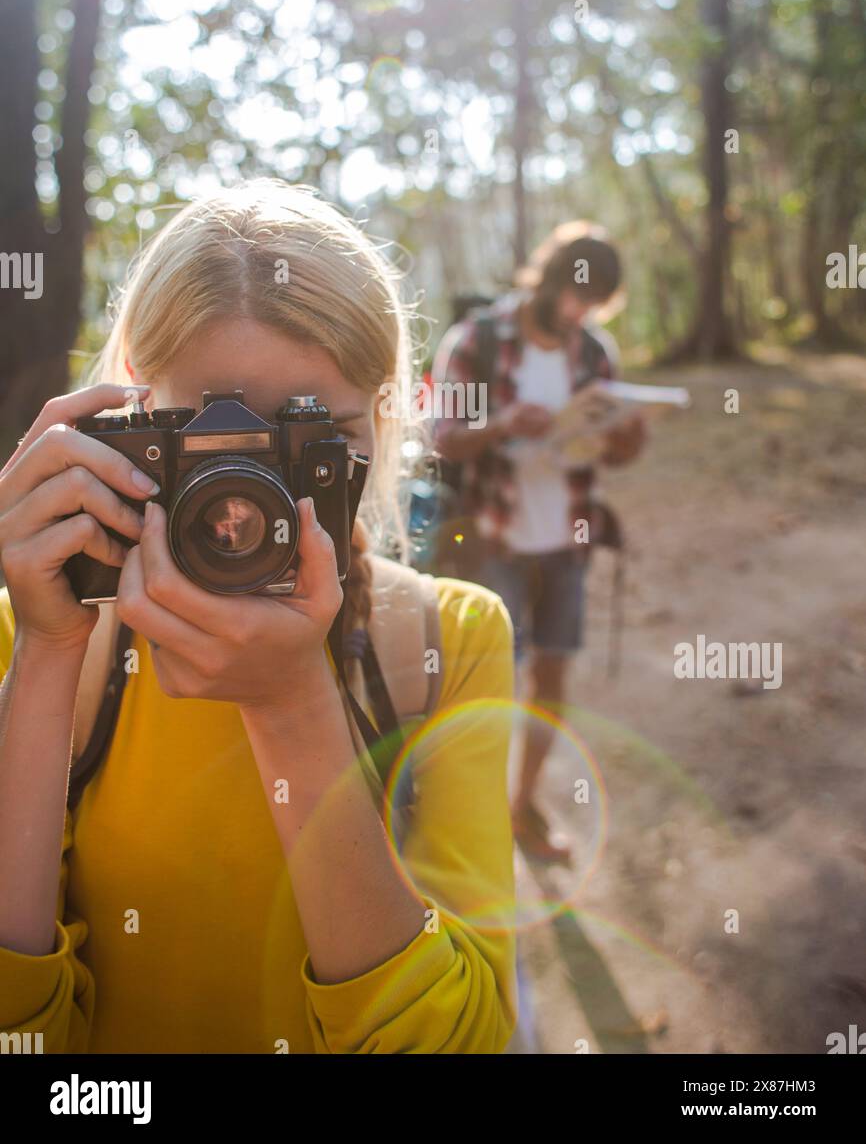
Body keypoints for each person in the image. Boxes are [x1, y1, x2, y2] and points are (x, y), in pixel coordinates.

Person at [0, 180, 517, 1054]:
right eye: (221, 437)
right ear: (134, 414)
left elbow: (466, 1044)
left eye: (313, 440)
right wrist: (50, 652)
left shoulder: (448, 642)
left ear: (382, 426)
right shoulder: (42, 631)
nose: (252, 506)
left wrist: (296, 709)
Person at [432, 222, 645, 864]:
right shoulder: (479, 340)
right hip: (494, 540)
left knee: (551, 678)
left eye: (595, 301)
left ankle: (521, 805)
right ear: (550, 278)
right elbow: (441, 435)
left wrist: (628, 438)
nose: (579, 310)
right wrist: (498, 426)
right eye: (575, 292)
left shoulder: (593, 354)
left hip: (567, 540)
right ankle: (464, 820)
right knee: (487, 685)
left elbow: (615, 449)